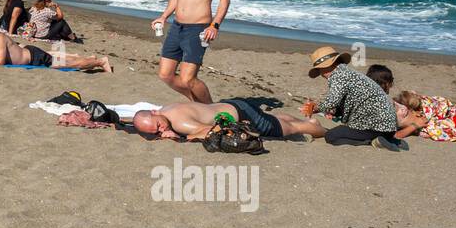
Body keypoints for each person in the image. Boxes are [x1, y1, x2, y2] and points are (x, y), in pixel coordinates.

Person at [301, 46, 403, 150]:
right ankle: (388, 139)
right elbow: (342, 106)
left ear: (325, 67)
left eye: (319, 71)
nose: (321, 75)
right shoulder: (347, 73)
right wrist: (321, 108)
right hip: (388, 126)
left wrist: (316, 107)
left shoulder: (339, 75)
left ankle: (373, 142)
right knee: (341, 131)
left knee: (331, 136)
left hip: (375, 127)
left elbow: (331, 102)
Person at [131, 98, 324, 141]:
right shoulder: (165, 109)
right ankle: (303, 122)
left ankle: (317, 129)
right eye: (155, 132)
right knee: (274, 119)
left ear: (154, 114)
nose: (160, 130)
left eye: (158, 126)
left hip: (243, 115)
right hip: (230, 104)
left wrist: (180, 137)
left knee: (287, 130)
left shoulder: (179, 123)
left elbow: (210, 130)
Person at [0, 21, 111, 72]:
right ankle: (91, 59)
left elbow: (0, 63)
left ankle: (100, 61)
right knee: (67, 62)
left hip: (36, 58)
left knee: (72, 65)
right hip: (31, 53)